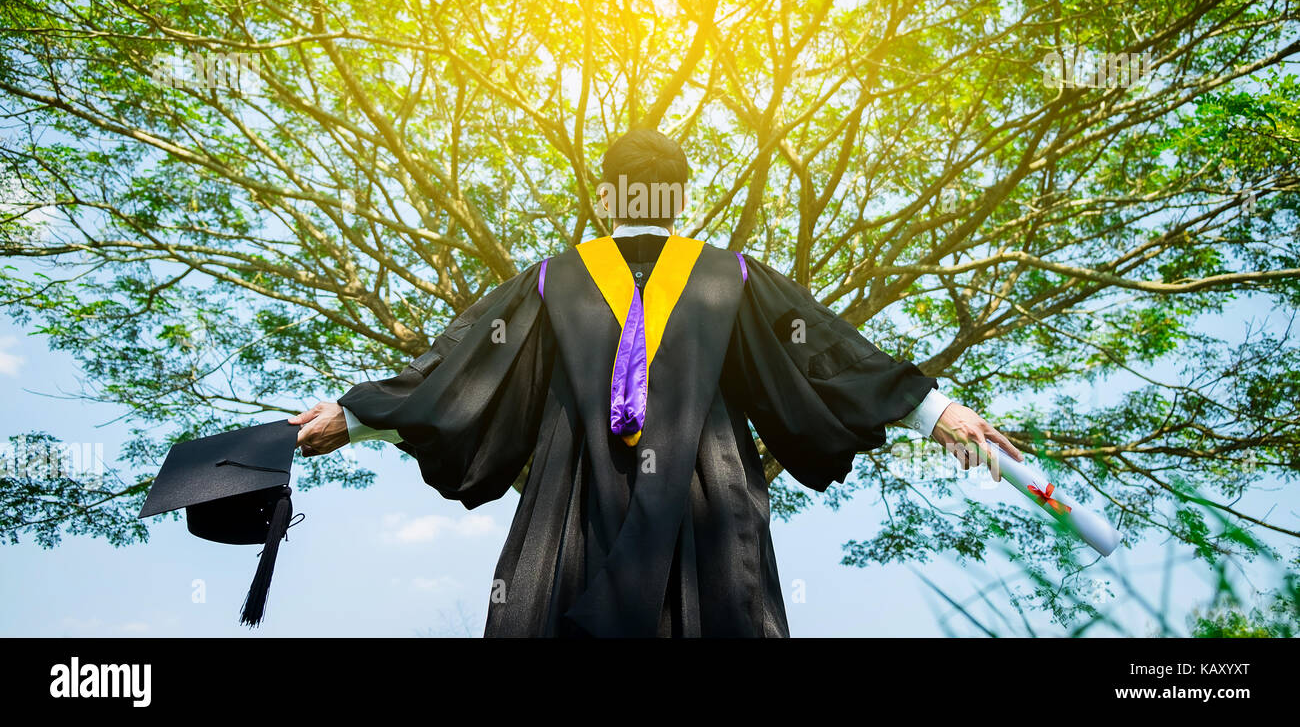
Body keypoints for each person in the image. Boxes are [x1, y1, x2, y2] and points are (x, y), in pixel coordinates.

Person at [291, 129, 1022, 636]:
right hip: (710, 499)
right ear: (678, 200)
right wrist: (935, 412)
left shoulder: (550, 282)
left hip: (572, 506)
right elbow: (831, 357)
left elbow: (456, 373)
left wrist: (354, 416)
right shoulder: (732, 276)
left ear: (606, 198)